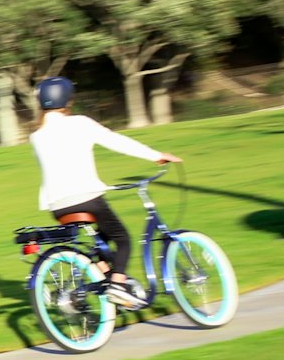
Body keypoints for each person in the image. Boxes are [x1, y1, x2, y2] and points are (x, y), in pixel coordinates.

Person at [28, 78, 182, 307]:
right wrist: (156, 155)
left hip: (57, 205)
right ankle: (118, 285)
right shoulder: (80, 123)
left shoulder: (36, 136)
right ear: (68, 99)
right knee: (123, 239)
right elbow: (117, 141)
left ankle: (103, 274)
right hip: (87, 197)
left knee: (101, 240)